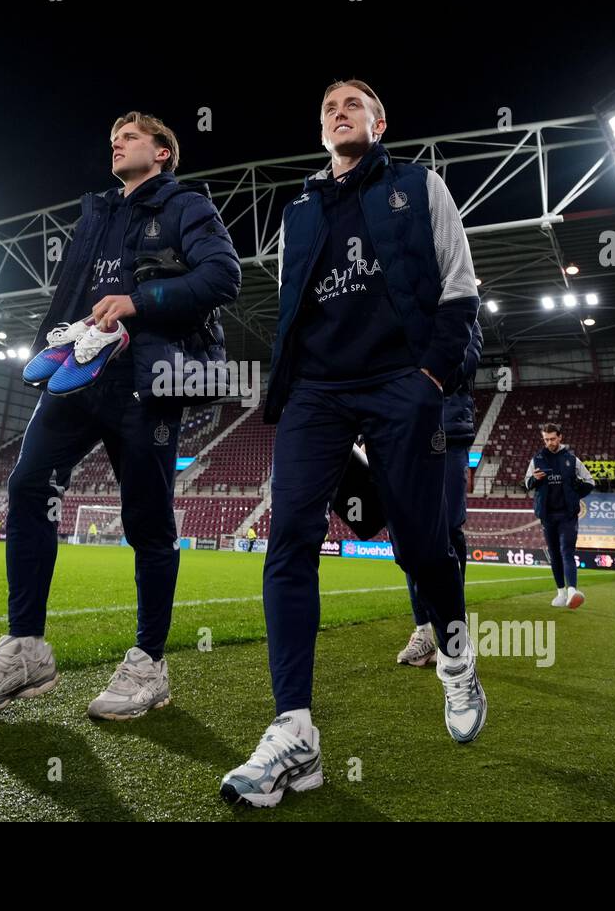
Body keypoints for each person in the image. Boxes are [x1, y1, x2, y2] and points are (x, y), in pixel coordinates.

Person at [219, 79, 482, 808]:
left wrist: (432, 377)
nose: (339, 111)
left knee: (423, 544)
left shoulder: (420, 186)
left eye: (353, 103)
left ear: (380, 120)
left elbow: (460, 289)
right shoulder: (297, 209)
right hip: (318, 392)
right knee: (289, 539)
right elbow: (290, 306)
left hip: (404, 380)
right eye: (329, 106)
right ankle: (294, 730)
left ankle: (455, 656)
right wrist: (289, 385)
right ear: (322, 131)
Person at [0, 111, 241, 722]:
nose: (117, 143)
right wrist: (47, 351)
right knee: (27, 483)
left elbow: (223, 276)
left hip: (148, 380)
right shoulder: (96, 213)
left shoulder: (187, 207)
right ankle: (25, 646)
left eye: (131, 136)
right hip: (80, 374)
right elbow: (69, 296)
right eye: (113, 137)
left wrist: (139, 300)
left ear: (162, 154)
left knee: (148, 523)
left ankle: (150, 663)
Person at [398, 321, 483, 666]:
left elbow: (460, 366)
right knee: (408, 533)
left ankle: (454, 634)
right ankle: (424, 633)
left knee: (446, 531)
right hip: (402, 431)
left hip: (447, 431)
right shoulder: (399, 307)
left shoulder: (463, 313)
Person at [525, 423, 595, 609]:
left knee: (567, 551)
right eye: (546, 439)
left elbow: (590, 481)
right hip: (548, 516)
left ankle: (572, 591)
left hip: (567, 515)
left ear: (560, 437)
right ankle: (561, 594)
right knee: (555, 555)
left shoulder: (572, 460)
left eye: (553, 439)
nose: (549, 442)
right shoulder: (537, 459)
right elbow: (526, 483)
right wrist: (534, 479)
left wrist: (574, 495)